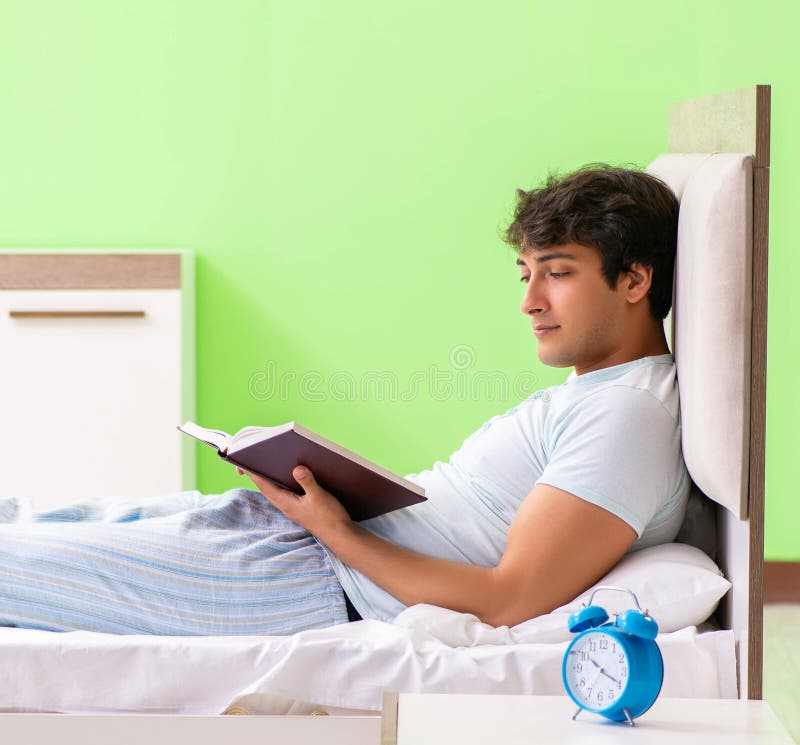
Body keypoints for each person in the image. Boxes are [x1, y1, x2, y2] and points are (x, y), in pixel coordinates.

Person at [0, 164, 688, 636]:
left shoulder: (629, 416)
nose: (530, 301)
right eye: (527, 272)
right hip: (308, 546)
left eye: (558, 274)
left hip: (314, 585)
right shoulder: (600, 389)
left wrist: (334, 529)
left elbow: (509, 598)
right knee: (23, 518)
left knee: (15, 570)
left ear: (634, 280)